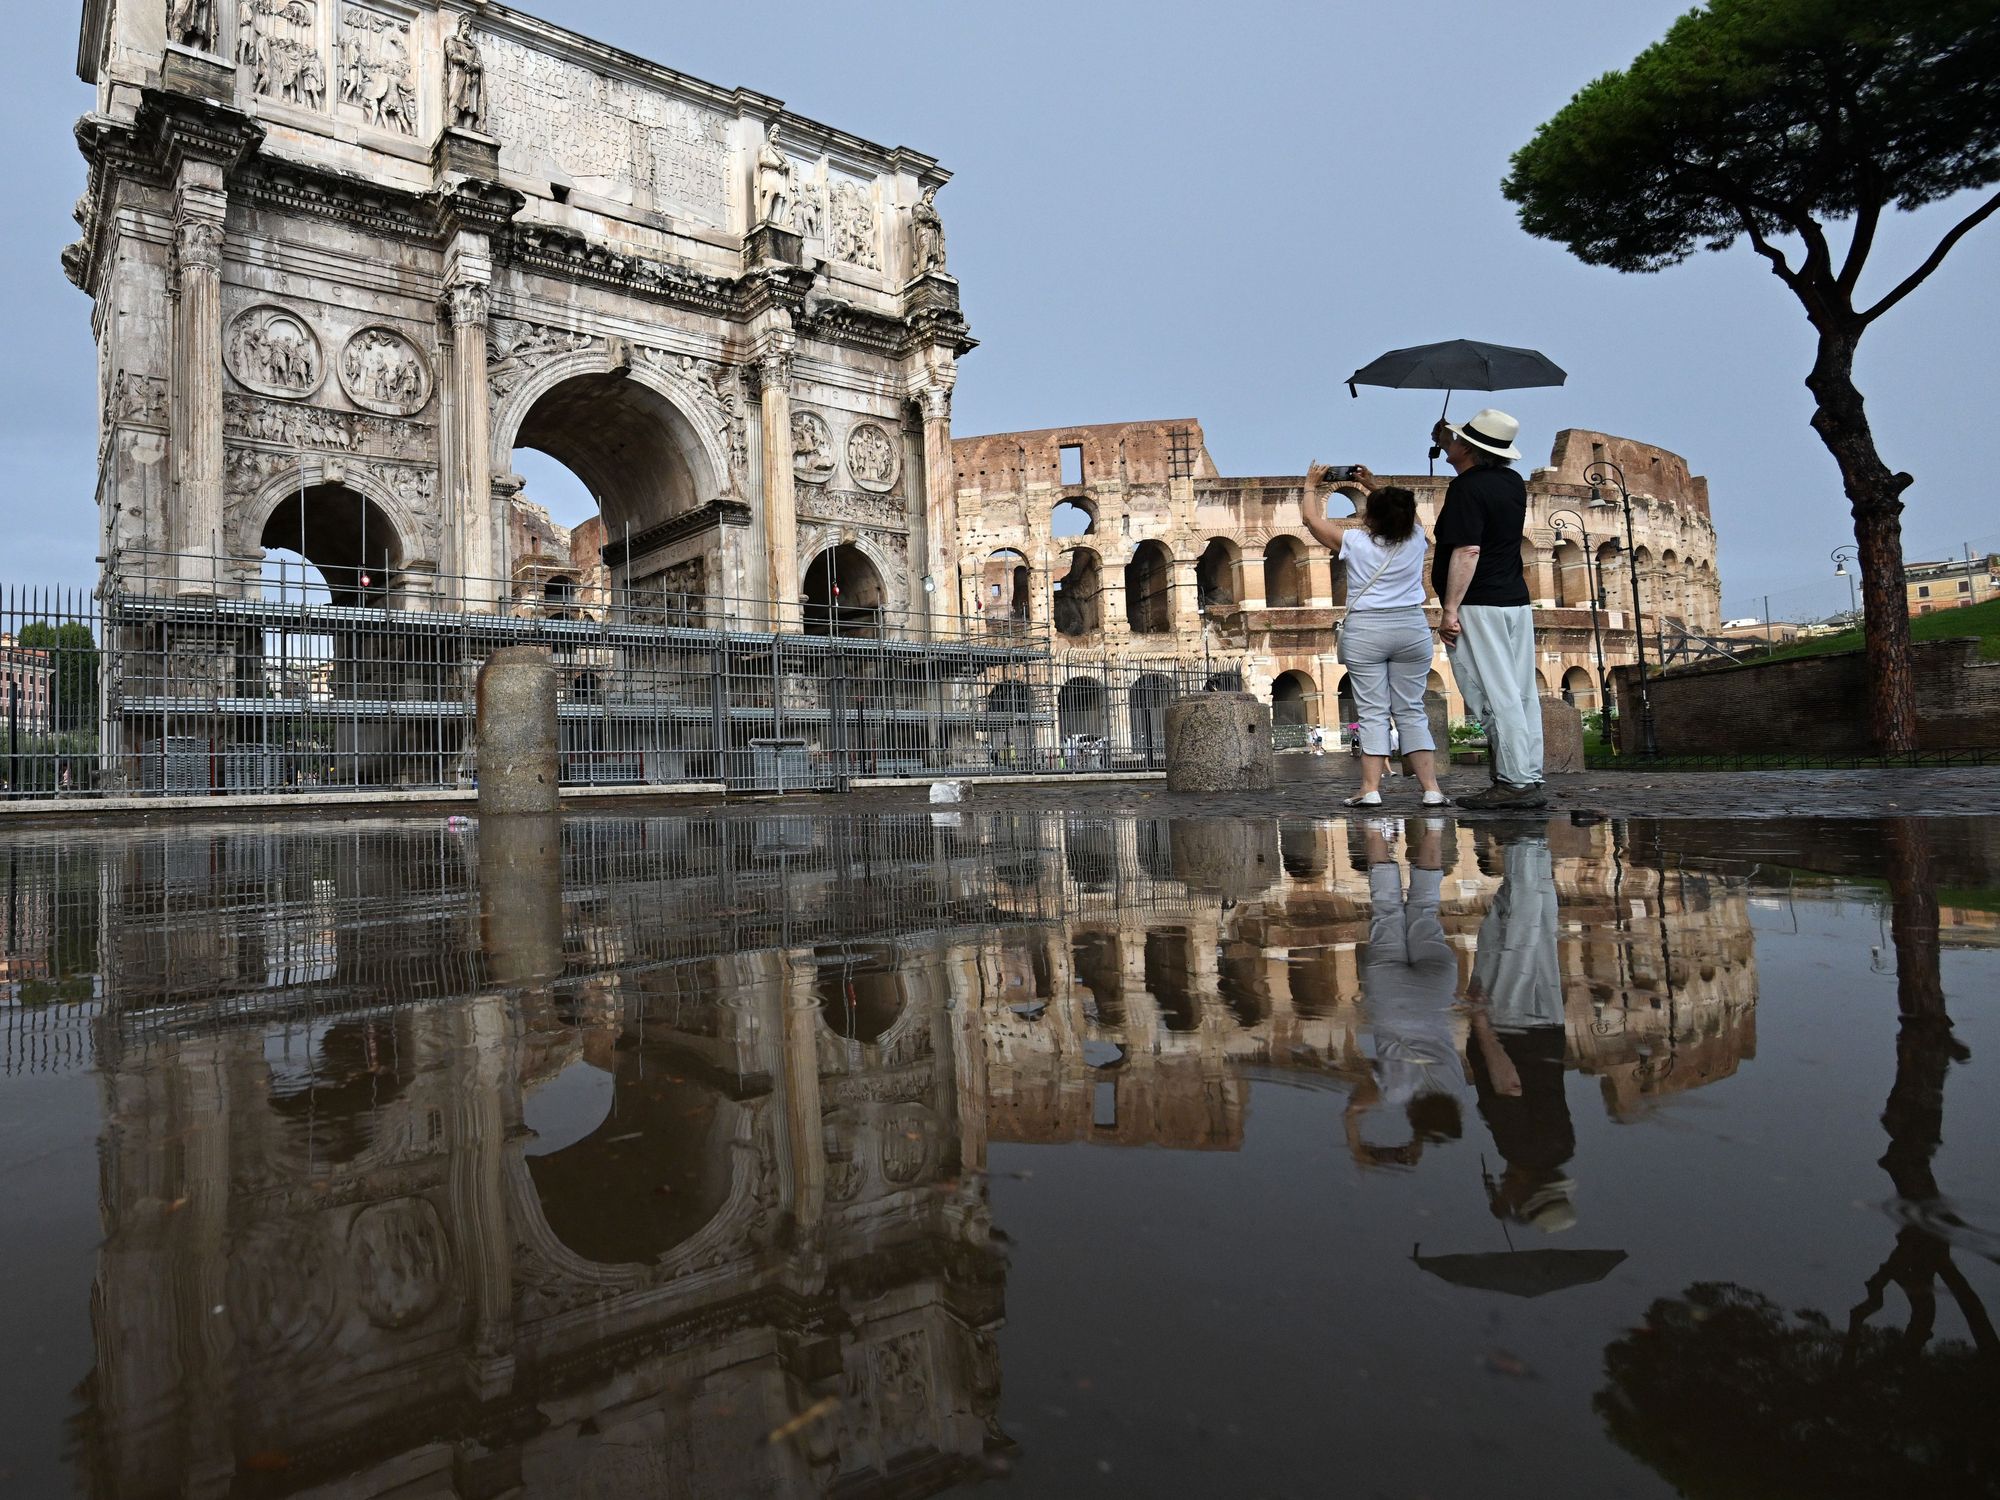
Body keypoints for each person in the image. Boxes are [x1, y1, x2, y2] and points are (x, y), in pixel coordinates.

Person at [1300, 473, 1449, 808]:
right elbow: (1408, 514)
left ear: (1369, 516)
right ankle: (1432, 789)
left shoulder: (1355, 542)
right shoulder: (1415, 538)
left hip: (1367, 629)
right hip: (1412, 626)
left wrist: (1311, 485)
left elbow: (1311, 519)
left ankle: (1370, 789)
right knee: (1411, 709)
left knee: (1372, 712)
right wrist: (1372, 483)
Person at [1430, 410, 1545, 809]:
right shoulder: (1512, 483)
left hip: (1478, 603)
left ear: (1471, 448)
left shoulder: (1465, 490)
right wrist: (1446, 440)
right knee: (1521, 693)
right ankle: (1528, 775)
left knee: (1495, 695)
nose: (1451, 443)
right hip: (1515, 601)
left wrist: (1450, 609)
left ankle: (1514, 784)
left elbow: (1468, 550)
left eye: (1458, 439)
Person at [1464, 824, 1575, 1231]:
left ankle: (1534, 851)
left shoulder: (1562, 1148)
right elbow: (1509, 1086)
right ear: (1527, 1193)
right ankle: (1523, 843)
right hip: (1512, 1030)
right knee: (1508, 934)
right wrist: (1481, 1024)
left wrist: (1505, 1195)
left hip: (1549, 1030)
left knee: (1538, 932)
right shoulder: (1522, 1148)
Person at [1345, 816, 1464, 1170]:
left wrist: (1419, 1141)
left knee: (1425, 908)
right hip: (1390, 996)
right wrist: (1355, 1141)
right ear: (1413, 1116)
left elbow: (1438, 1115)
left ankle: (1435, 826)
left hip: (1436, 990)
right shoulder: (1399, 1091)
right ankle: (1373, 826)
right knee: (1386, 909)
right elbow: (1355, 1107)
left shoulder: (1456, 1090)